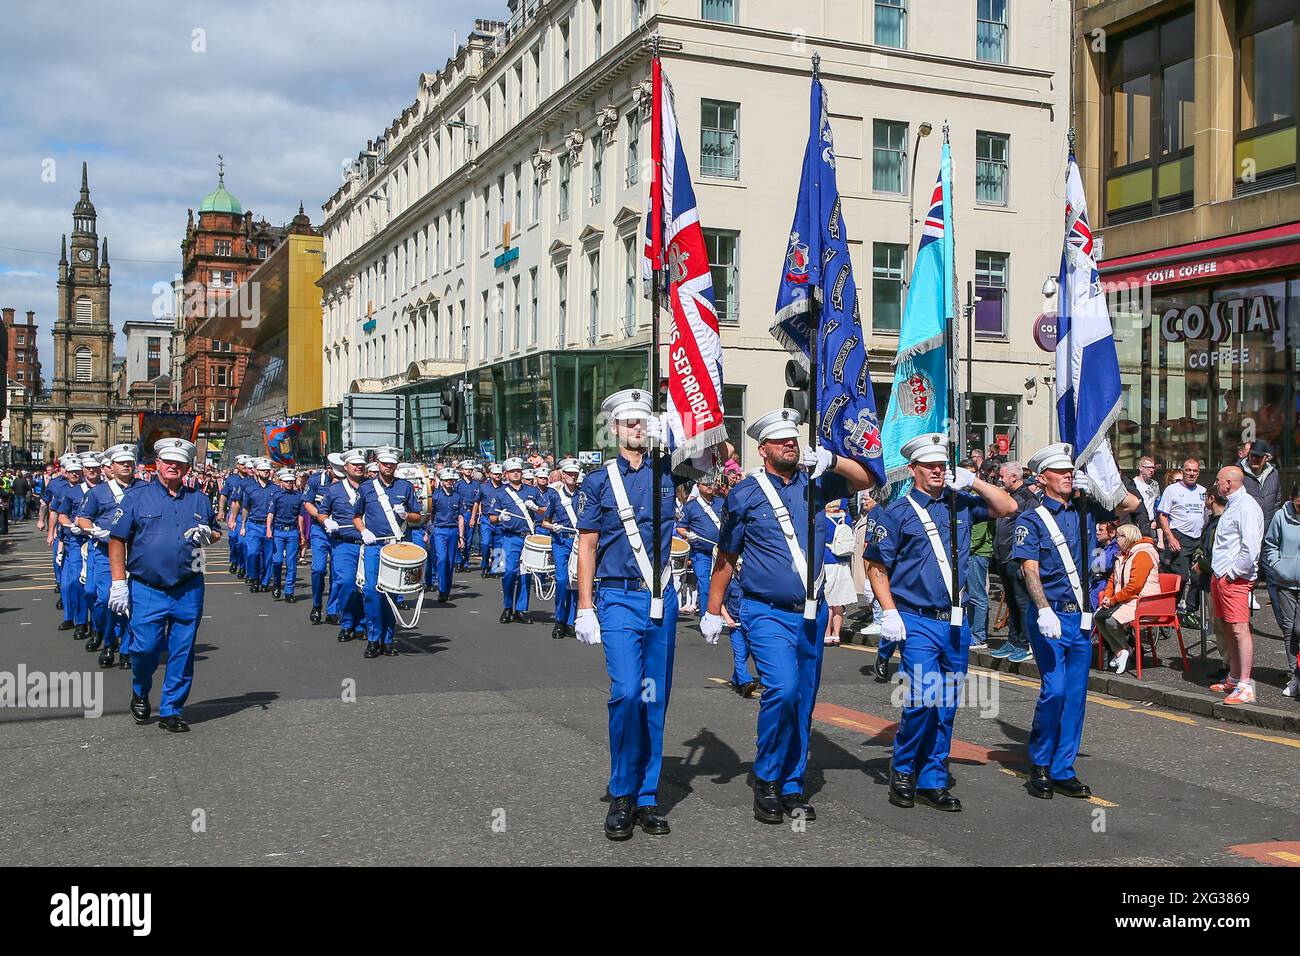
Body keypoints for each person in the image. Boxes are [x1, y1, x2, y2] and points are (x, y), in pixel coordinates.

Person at [704, 408, 876, 824]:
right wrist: (713, 607)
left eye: (794, 439)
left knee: (803, 699)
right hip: (766, 611)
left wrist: (832, 460)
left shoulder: (814, 483)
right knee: (780, 689)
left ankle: (793, 782)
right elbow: (727, 553)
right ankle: (766, 778)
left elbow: (867, 479)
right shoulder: (745, 493)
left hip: (811, 615)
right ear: (763, 449)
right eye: (781, 441)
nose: (791, 445)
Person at [574, 389, 701, 840]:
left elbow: (718, 454)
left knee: (653, 698)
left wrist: (683, 431)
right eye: (629, 422)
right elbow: (587, 546)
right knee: (627, 693)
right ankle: (622, 792)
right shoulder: (598, 481)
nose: (636, 429)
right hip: (616, 597)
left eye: (643, 422)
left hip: (661, 598)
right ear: (614, 429)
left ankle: (647, 798)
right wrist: (584, 605)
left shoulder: (669, 469)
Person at [866, 433, 1016, 812]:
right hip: (916, 619)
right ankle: (903, 769)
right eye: (929, 465)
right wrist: (890, 613)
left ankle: (932, 776)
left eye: (941, 464)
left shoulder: (961, 504)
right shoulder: (896, 513)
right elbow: (877, 568)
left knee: (946, 703)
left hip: (955, 622)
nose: (937, 470)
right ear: (913, 470)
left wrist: (975, 480)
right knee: (920, 699)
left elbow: (1008, 505)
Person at [1013, 443, 1140, 800]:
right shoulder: (1032, 518)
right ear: (1042, 478)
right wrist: (1042, 609)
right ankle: (1039, 763)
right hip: (1050, 615)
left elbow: (1131, 505)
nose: (1068, 475)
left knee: (1075, 696)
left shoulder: (1086, 509)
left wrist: (1099, 483)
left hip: (1080, 617)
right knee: (1053, 689)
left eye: (1070, 470)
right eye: (1061, 471)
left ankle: (1063, 768)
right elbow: (1029, 568)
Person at [108, 438, 221, 733]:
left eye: (179, 463)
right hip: (147, 587)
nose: (173, 466)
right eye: (168, 461)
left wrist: (208, 535)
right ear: (157, 463)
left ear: (187, 467)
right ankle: (140, 689)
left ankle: (172, 709)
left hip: (189, 585)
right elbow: (117, 539)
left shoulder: (199, 499)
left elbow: (216, 532)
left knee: (182, 652)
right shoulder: (136, 497)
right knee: (144, 649)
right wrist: (118, 583)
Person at [351, 446, 424, 658]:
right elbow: (356, 516)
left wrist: (406, 514)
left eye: (392, 464)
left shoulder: (405, 486)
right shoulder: (367, 488)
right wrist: (363, 531)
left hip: (396, 546)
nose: (388, 467)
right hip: (374, 545)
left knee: (391, 593)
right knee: (372, 592)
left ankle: (388, 639)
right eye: (385, 463)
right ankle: (373, 638)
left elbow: (417, 516)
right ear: (378, 464)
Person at [76, 444, 140, 668]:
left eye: (129, 462)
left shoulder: (144, 488)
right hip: (105, 552)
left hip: (135, 553)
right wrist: (93, 530)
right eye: (121, 462)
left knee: (131, 602)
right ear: (111, 466)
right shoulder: (99, 492)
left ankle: (126, 649)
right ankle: (109, 639)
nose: (126, 465)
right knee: (106, 600)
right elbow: (82, 518)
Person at [1207, 465, 1265, 704]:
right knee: (1229, 628)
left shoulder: (1247, 506)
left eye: (1219, 481)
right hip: (1222, 576)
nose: (1217, 485)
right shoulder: (1234, 503)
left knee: (1240, 630)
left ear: (1229, 483)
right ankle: (1233, 677)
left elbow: (1250, 547)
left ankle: (1245, 685)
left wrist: (1233, 574)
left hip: (1234, 578)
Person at [1094, 524, 1161, 675]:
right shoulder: (1122, 555)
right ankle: (1122, 651)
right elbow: (1112, 579)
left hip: (1145, 601)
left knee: (1111, 620)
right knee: (1098, 616)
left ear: (1128, 537)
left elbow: (1134, 586)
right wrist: (1107, 596)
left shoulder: (1142, 554)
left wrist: (1113, 600)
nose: (1116, 540)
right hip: (1127, 600)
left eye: (1119, 537)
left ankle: (1124, 650)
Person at [990, 460, 1037, 664]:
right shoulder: (1008, 497)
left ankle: (1025, 643)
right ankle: (1013, 638)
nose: (1000, 480)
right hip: (1002, 559)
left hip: (1016, 559)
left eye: (1002, 476)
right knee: (1011, 601)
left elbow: (1032, 529)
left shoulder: (1028, 499)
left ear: (1014, 477)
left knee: (1023, 602)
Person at [487, 457, 540, 624]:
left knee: (526, 574)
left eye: (518, 470)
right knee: (509, 572)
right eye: (512, 471)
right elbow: (492, 518)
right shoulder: (500, 494)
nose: (516, 473)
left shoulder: (532, 491)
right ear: (505, 474)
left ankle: (521, 609)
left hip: (529, 537)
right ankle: (507, 605)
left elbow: (546, 511)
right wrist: (500, 517)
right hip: (510, 537)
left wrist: (537, 508)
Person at [1156, 459, 1207, 628]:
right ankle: (1170, 611)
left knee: (1199, 576)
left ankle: (1190, 611)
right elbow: (1162, 516)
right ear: (1183, 471)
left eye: (1195, 471)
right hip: (1179, 537)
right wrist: (1170, 537)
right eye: (1188, 470)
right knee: (1181, 577)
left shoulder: (1203, 491)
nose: (1192, 473)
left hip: (1198, 538)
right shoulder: (1172, 490)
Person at [322, 450, 367, 643]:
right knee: (347, 583)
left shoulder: (372, 487)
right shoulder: (334, 490)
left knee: (367, 587)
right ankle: (347, 623)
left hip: (367, 545)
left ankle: (362, 624)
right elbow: (322, 512)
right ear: (345, 467)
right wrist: (327, 521)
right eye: (354, 464)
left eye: (361, 464)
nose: (358, 467)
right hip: (344, 544)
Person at [1261, 483, 1300, 699]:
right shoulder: (1280, 516)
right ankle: (1295, 678)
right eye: (1298, 502)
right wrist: (1278, 567)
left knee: (1299, 629)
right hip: (1285, 582)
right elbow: (1270, 544)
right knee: (1288, 630)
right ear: (1292, 499)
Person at [542, 459, 582, 638]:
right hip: (560, 542)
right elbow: (544, 522)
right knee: (561, 580)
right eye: (570, 474)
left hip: (577, 542)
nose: (573, 476)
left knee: (575, 582)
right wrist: (553, 527)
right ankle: (559, 620)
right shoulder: (555, 497)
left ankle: (570, 621)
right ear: (563, 476)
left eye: (575, 474)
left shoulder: (584, 496)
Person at [302, 453, 342, 623]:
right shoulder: (315, 481)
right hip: (320, 529)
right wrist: (322, 518)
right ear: (329, 469)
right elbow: (307, 503)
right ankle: (317, 604)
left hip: (341, 531)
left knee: (337, 572)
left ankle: (333, 610)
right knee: (318, 569)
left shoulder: (347, 481)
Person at [52, 456, 90, 638]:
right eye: (71, 471)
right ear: (65, 472)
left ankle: (92, 622)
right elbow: (57, 514)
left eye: (78, 471)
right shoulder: (60, 489)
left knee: (88, 585)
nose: (75, 474)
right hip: (70, 539)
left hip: (91, 538)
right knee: (71, 583)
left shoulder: (93, 490)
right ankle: (74, 618)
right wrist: (54, 536)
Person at [676, 474, 723, 616]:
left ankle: (721, 614)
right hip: (701, 553)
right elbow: (680, 527)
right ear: (698, 486)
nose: (709, 486)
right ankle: (706, 616)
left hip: (722, 552)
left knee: (724, 585)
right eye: (705, 484)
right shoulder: (691, 506)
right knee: (705, 584)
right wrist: (688, 535)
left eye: (711, 484)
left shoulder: (722, 503)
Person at [821, 497, 858, 647]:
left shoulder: (823, 519)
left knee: (828, 600)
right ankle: (837, 634)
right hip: (843, 560)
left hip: (827, 559)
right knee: (839, 602)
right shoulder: (847, 518)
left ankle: (826, 634)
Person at [266, 468, 304, 602]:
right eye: (287, 481)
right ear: (281, 482)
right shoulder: (276, 496)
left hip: (292, 531)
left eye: (291, 481)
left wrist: (302, 533)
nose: (289, 484)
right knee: (276, 560)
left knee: (291, 562)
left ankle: (289, 591)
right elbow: (271, 513)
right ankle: (276, 583)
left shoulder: (298, 496)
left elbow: (300, 516)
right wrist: (268, 529)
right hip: (278, 530)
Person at [428, 467, 466, 603]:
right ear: (442, 481)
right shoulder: (436, 496)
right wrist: (430, 531)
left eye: (452, 480)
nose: (450, 482)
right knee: (442, 558)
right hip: (439, 530)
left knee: (450, 562)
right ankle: (442, 589)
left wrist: (461, 537)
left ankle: (447, 590)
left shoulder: (458, 497)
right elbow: (430, 515)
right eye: (447, 480)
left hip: (453, 531)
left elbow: (461, 517)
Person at [1241, 439, 1281, 531]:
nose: (1254, 459)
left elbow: (1277, 502)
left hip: (1268, 530)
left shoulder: (1274, 474)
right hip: (1246, 529)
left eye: (1258, 456)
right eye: (1252, 455)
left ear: (1266, 458)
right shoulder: (1239, 472)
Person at [1124, 455, 1159, 539]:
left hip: (1151, 525)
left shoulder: (1155, 484)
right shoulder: (1132, 484)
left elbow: (1157, 504)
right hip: (1135, 524)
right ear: (1140, 468)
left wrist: (1155, 521)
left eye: (1153, 468)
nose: (1151, 470)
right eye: (1148, 468)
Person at [480, 463, 504, 577]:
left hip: (499, 519)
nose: (498, 476)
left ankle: (495, 568)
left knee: (498, 546)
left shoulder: (505, 488)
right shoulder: (483, 487)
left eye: (499, 474)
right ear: (490, 474)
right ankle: (485, 566)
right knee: (485, 543)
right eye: (495, 474)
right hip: (486, 519)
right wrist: (473, 518)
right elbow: (477, 502)